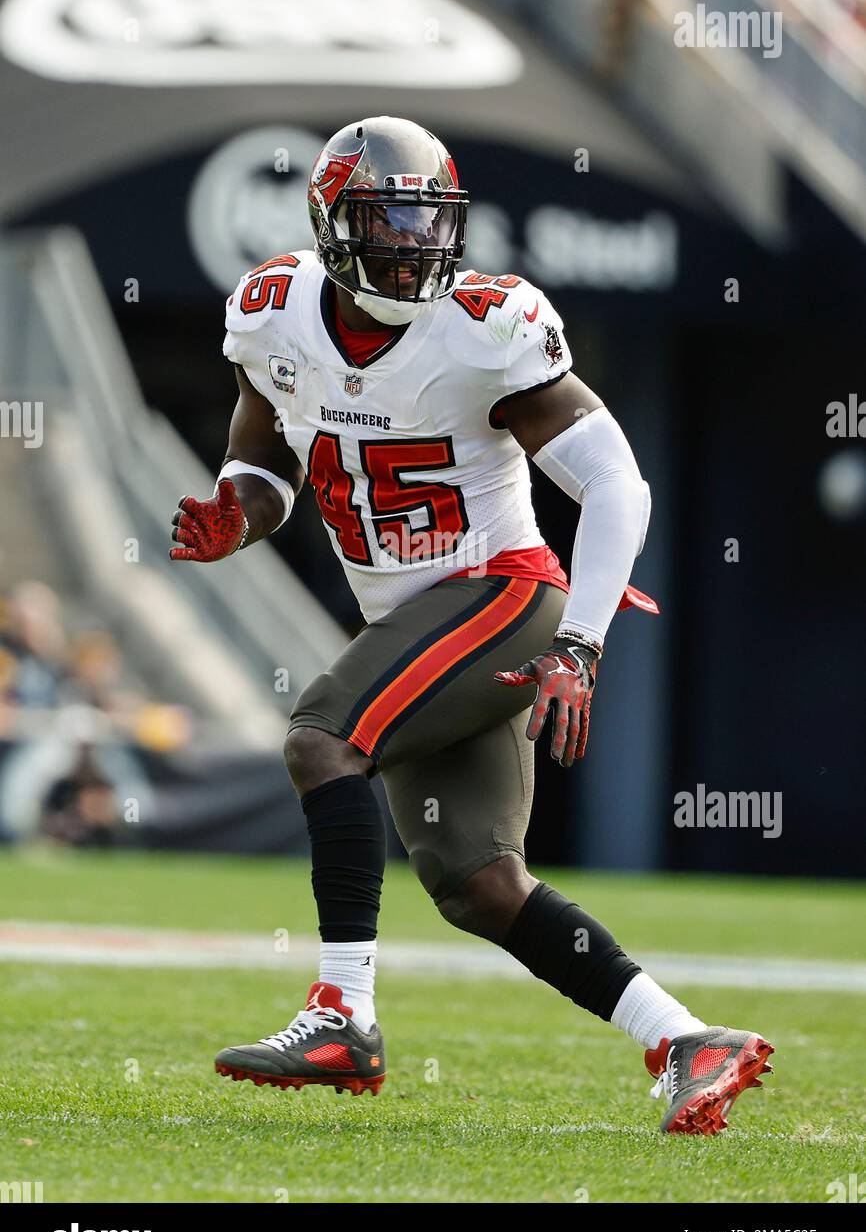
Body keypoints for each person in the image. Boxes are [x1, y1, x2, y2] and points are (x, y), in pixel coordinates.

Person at [170, 117, 773, 1134]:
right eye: (386, 215)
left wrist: (579, 641)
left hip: (501, 593)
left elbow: (615, 486)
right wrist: (239, 512)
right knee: (479, 884)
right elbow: (263, 456)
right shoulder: (272, 314)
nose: (410, 240)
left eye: (426, 217)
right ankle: (683, 1037)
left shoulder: (486, 326)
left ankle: (341, 1014)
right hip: (415, 617)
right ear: (329, 222)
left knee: (322, 739)